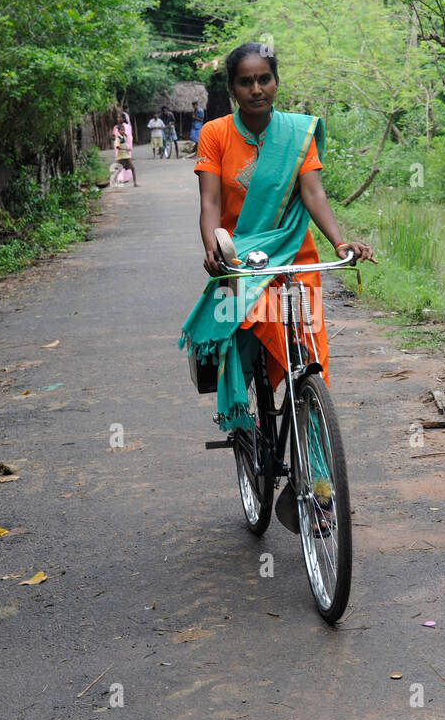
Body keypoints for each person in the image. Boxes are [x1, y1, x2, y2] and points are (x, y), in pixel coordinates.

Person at [178, 42, 374, 433]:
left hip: (296, 260)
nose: (256, 89)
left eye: (264, 79)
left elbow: (313, 193)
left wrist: (340, 243)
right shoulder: (215, 134)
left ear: (276, 82)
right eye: (246, 82)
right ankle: (256, 436)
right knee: (253, 327)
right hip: (242, 262)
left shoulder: (297, 133)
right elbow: (210, 201)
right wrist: (213, 248)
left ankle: (312, 462)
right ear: (232, 89)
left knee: (308, 352)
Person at [110, 112, 137, 187]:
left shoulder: (128, 127)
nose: (118, 119)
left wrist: (129, 147)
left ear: (124, 118)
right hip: (118, 149)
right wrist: (115, 138)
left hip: (127, 149)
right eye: (117, 117)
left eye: (120, 117)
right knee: (119, 166)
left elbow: (130, 138)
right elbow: (113, 136)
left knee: (129, 166)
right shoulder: (115, 127)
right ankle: (118, 179)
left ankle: (126, 179)